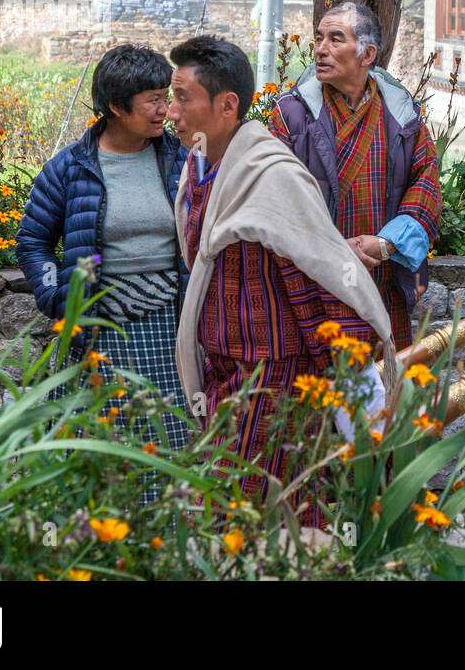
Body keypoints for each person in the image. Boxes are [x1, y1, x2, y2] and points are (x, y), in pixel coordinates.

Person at [167, 36, 393, 511]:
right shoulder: (199, 166)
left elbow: (320, 279)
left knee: (260, 512)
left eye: (183, 98)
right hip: (225, 375)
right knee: (236, 512)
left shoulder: (272, 177)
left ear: (227, 105)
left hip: (276, 385)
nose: (171, 112)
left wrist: (350, 371)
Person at [17, 44, 190, 448]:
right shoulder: (70, 168)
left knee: (167, 444)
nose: (166, 110)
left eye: (167, 98)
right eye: (153, 101)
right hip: (98, 330)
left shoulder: (183, 159)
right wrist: (60, 298)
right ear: (116, 106)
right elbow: (32, 241)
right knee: (97, 447)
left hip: (169, 329)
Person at [270, 2, 442, 351]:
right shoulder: (289, 116)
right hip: (313, 282)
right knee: (318, 395)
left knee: (382, 392)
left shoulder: (402, 116)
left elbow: (426, 185)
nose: (320, 49)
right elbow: (275, 196)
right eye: (318, 38)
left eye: (336, 39)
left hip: (381, 277)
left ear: (367, 54)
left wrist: (387, 243)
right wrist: (331, 248)